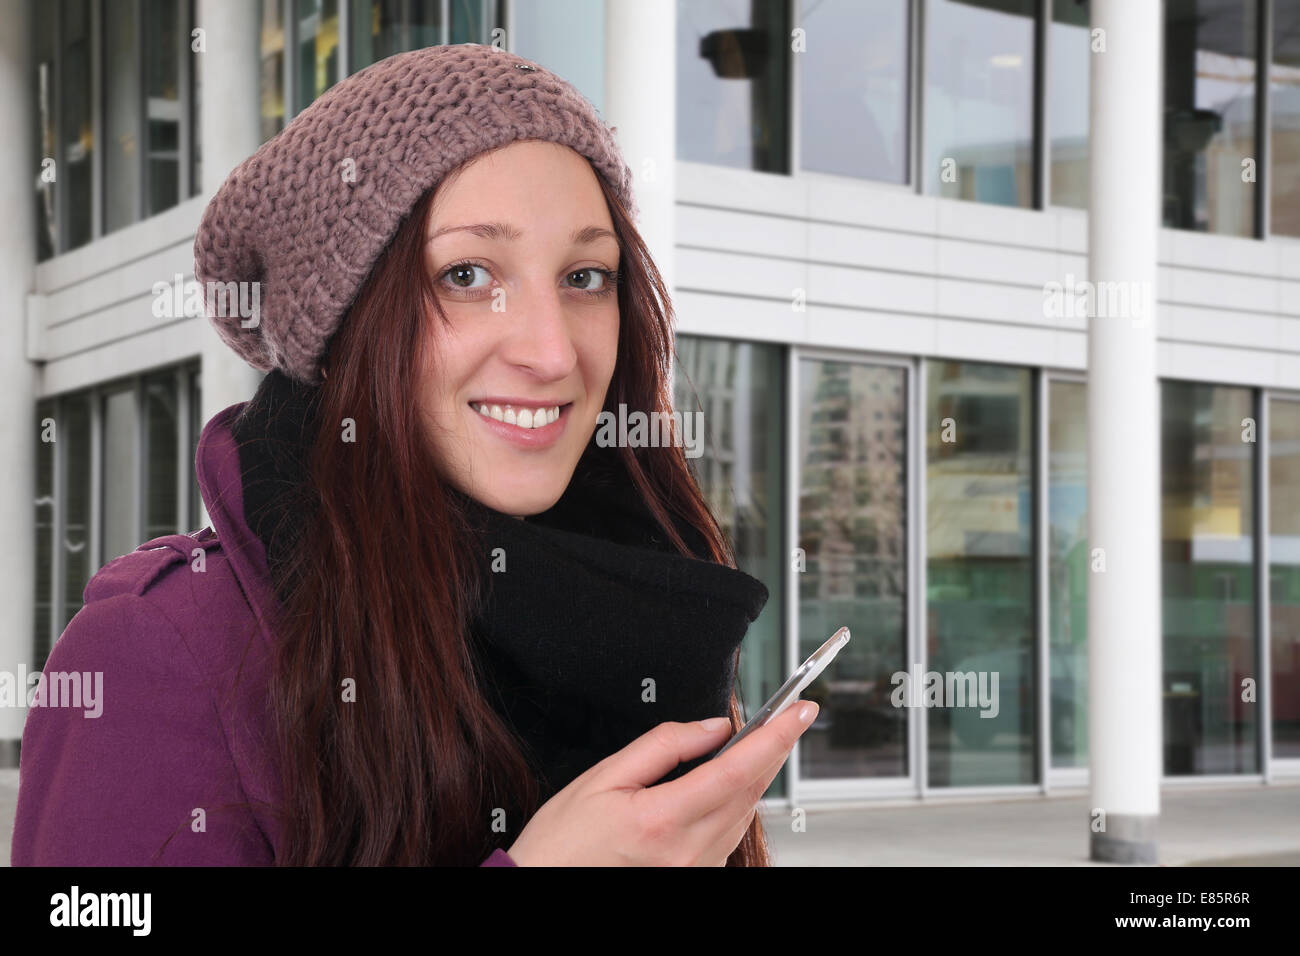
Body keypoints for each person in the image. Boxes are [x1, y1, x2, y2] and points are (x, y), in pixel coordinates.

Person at [10, 43, 817, 867]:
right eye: (466, 273)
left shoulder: (648, 612)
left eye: (585, 276)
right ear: (340, 329)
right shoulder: (160, 651)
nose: (551, 352)